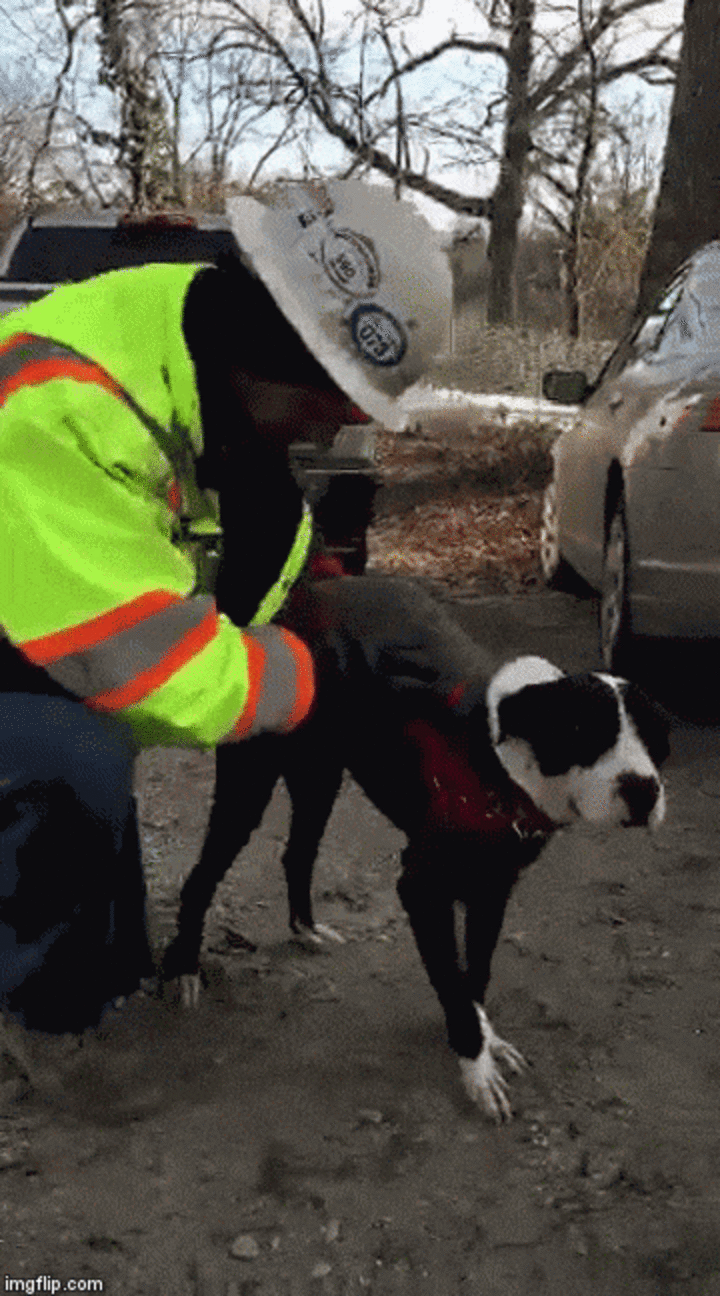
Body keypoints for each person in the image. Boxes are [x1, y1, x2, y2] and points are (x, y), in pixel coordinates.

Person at [0, 179, 451, 1035]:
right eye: (345, 402)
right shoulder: (66, 403)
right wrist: (322, 674)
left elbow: (265, 563)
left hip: (37, 625)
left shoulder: (205, 383)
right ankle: (42, 1025)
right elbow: (144, 668)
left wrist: (339, 606)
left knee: (96, 789)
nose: (334, 429)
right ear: (286, 358)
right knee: (69, 757)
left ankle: (108, 970)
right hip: (23, 625)